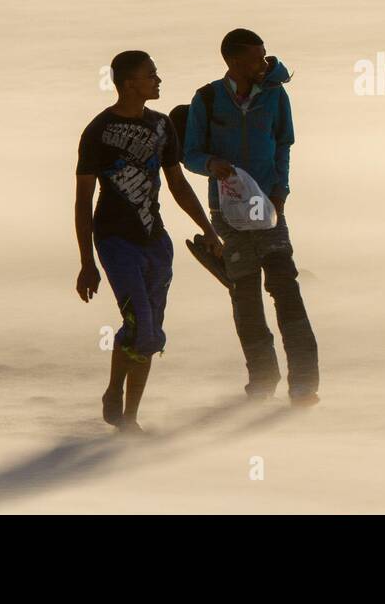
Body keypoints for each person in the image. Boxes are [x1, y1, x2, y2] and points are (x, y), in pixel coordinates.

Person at [74, 50, 221, 432]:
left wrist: (208, 229)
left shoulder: (162, 126)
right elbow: (82, 200)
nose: (158, 80)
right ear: (128, 84)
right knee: (140, 327)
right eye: (151, 75)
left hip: (155, 240)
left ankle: (126, 410)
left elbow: (177, 184)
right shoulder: (98, 132)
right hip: (115, 240)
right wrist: (87, 263)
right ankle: (124, 414)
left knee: (148, 331)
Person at [182, 29, 320, 406]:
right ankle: (262, 379)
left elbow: (283, 145)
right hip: (227, 212)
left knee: (285, 288)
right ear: (234, 61)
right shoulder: (207, 99)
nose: (264, 63)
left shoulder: (276, 95)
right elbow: (190, 153)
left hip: (268, 208)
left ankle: (304, 384)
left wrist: (281, 192)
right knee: (245, 296)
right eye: (256, 58)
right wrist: (212, 164)